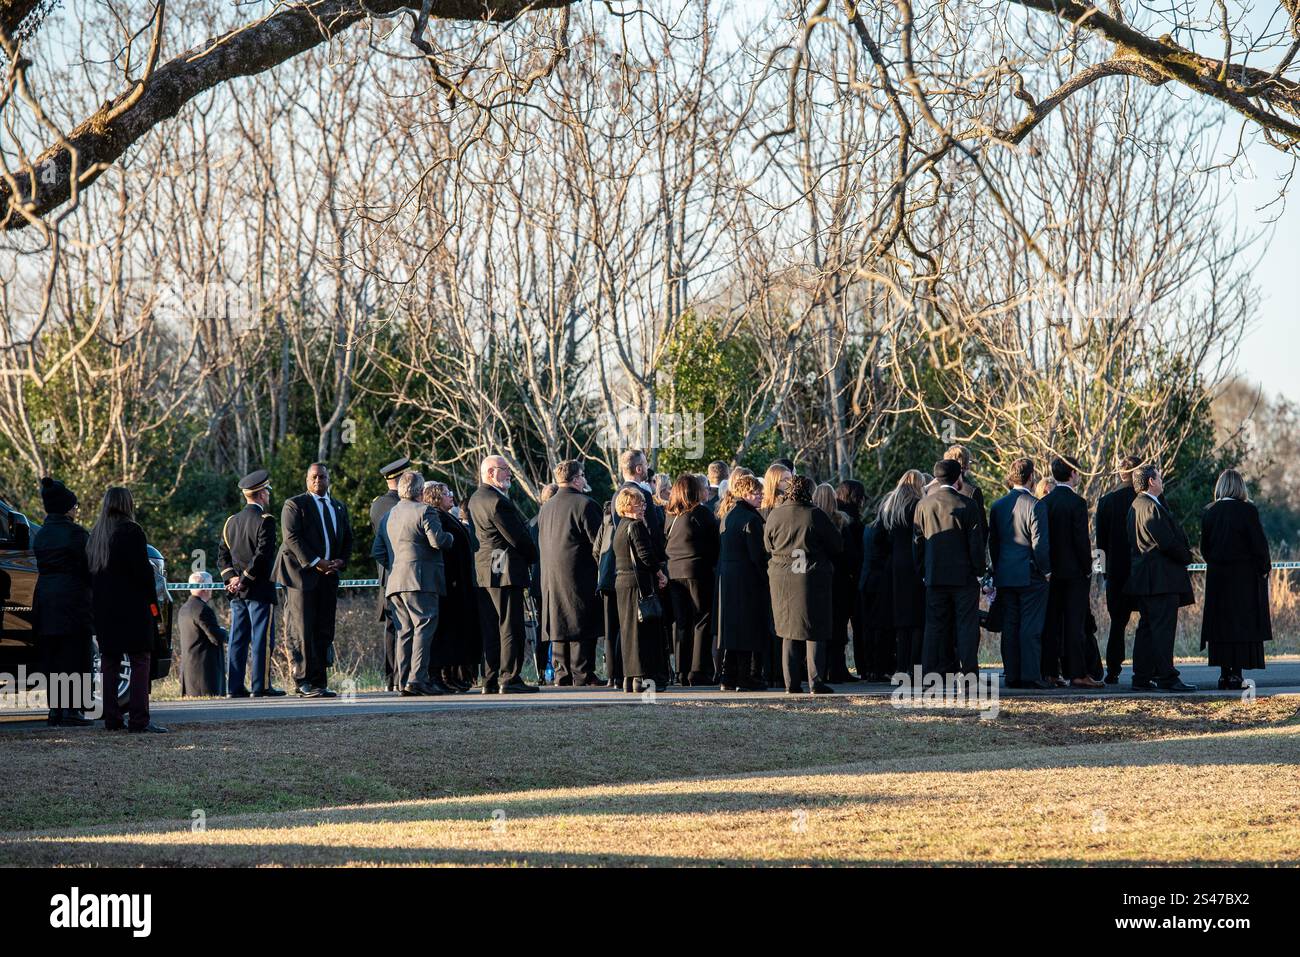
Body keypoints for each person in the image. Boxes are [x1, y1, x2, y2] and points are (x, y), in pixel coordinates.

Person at [87, 486, 167, 733]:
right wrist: (155, 609)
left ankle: (112, 720)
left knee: (109, 664)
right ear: (127, 505)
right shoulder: (132, 532)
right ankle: (139, 719)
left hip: (105, 611)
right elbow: (143, 575)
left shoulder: (96, 536)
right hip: (133, 609)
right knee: (140, 661)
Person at [274, 462, 353, 698]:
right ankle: (303, 681)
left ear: (329, 479)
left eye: (323, 477)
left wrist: (340, 561)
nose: (318, 481)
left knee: (324, 628)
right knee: (301, 629)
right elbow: (292, 538)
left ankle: (319, 681)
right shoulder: (295, 504)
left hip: (329, 576)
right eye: (314, 477)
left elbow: (347, 537)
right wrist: (317, 562)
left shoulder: (338, 506)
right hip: (301, 576)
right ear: (307, 480)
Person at [372, 470, 454, 696]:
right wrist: (451, 538)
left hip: (396, 581)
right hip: (421, 580)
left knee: (405, 631)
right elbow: (437, 541)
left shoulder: (388, 515)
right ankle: (417, 680)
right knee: (423, 627)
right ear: (420, 491)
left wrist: (397, 564)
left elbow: (378, 551)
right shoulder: (425, 510)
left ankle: (402, 680)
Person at [467, 455, 540, 693]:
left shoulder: (475, 499)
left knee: (490, 628)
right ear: (490, 473)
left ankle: (489, 679)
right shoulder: (498, 502)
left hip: (484, 572)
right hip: (504, 570)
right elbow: (518, 538)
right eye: (504, 469)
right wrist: (533, 556)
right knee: (510, 626)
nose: (509, 473)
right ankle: (510, 678)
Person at [765, 475, 843, 694]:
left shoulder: (775, 514)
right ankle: (815, 681)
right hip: (811, 577)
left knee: (787, 630)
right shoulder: (815, 515)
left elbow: (767, 544)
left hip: (780, 577)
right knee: (815, 629)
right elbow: (837, 545)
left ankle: (791, 683)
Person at [1125, 465, 1196, 692]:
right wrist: (1186, 556)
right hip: (1160, 580)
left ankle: (1142, 676)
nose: (1162, 480)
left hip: (1147, 579)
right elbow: (1166, 541)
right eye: (1159, 477)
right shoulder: (1150, 508)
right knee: (1162, 630)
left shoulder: (1136, 506)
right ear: (1151, 482)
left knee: (1147, 629)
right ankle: (1166, 676)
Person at [912, 459, 986, 678]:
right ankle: (969, 674)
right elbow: (976, 544)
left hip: (935, 575)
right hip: (964, 577)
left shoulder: (923, 505)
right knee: (966, 626)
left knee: (934, 626)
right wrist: (979, 571)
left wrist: (923, 572)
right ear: (958, 478)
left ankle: (929, 673)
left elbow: (917, 542)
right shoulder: (967, 505)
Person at [1200, 468, 1272, 690]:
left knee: (1221, 625)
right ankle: (1236, 674)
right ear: (1240, 486)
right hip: (1243, 578)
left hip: (1217, 578)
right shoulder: (1247, 511)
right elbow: (1259, 545)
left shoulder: (1209, 512)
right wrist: (1263, 568)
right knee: (1240, 625)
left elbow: (1204, 548)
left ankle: (1224, 674)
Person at [32, 476, 94, 726]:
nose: (77, 511)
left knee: (54, 656)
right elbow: (89, 567)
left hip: (45, 599)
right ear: (68, 508)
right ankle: (73, 711)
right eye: (75, 506)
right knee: (76, 655)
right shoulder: (76, 535)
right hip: (72, 600)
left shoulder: (41, 534)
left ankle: (56, 709)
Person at [987, 459, 1053, 690]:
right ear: (1030, 477)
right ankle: (1031, 675)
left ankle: (1013, 675)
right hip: (1030, 574)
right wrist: (1046, 571)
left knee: (1010, 625)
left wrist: (997, 569)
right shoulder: (1036, 505)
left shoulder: (997, 506)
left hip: (1005, 574)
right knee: (1031, 626)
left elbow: (993, 543)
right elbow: (1040, 544)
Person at [218, 469, 284, 698]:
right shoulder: (266, 521)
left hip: (237, 592)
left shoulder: (230, 522)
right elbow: (262, 557)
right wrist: (245, 580)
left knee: (238, 639)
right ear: (262, 494)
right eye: (266, 491)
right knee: (261, 640)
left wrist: (232, 580)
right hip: (258, 590)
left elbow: (222, 557)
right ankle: (261, 686)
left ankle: (234, 687)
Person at [537, 460, 604, 687]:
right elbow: (599, 544)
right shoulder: (585, 504)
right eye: (583, 475)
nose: (585, 479)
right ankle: (583, 673)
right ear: (576, 478)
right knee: (580, 621)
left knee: (558, 622)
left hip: (550, 575)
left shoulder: (545, 507)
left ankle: (561, 674)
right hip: (579, 572)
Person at [1041, 457, 1103, 688]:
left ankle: (1050, 671)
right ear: (1072, 473)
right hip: (1074, 573)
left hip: (1052, 573)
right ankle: (1077, 672)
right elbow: (1080, 539)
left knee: (1052, 623)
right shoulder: (1077, 503)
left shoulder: (1045, 502)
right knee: (1075, 625)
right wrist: (1087, 568)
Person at [665, 472, 721, 685]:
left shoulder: (670, 515)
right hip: (698, 571)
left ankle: (681, 670)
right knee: (702, 620)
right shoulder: (702, 513)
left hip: (674, 573)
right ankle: (699, 671)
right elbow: (715, 544)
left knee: (681, 623)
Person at [612, 486, 669, 692]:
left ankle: (630, 679)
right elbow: (646, 556)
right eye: (639, 503)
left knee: (628, 631)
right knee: (642, 632)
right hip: (638, 584)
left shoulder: (620, 526)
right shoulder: (636, 526)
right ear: (628, 505)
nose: (643, 507)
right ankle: (643, 679)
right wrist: (660, 574)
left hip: (622, 583)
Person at [425, 482, 480, 691]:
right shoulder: (438, 518)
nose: (452, 497)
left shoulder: (449, 517)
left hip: (460, 583)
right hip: (450, 584)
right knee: (446, 632)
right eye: (448, 494)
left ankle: (452, 675)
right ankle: (441, 676)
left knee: (456, 632)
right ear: (437, 497)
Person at [716, 474, 769, 691]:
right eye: (757, 493)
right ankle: (745, 677)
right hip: (747, 578)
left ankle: (728, 676)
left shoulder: (728, 516)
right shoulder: (751, 519)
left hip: (727, 577)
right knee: (748, 628)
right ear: (746, 494)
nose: (761, 497)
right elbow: (757, 555)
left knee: (731, 628)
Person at [1095, 455, 1142, 683]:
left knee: (1117, 624)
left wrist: (1105, 572)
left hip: (1116, 571)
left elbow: (1100, 544)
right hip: (1142, 570)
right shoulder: (1146, 498)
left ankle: (1113, 669)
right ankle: (1145, 669)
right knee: (1149, 621)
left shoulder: (1106, 501)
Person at [878, 470, 927, 673]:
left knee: (901, 619)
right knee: (916, 618)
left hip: (895, 565)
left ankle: (900, 666)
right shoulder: (917, 505)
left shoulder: (889, 505)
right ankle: (913, 667)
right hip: (913, 564)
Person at [370, 456, 409, 691]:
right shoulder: (398, 506)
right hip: (399, 572)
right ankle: (400, 676)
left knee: (392, 628)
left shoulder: (378, 504)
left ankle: (391, 678)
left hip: (386, 575)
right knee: (402, 626)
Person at [813, 482, 854, 682]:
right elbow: (848, 554)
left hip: (818, 578)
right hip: (839, 581)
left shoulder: (810, 521)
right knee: (838, 624)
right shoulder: (841, 522)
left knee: (820, 624)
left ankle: (820, 667)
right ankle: (837, 667)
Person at [835, 480, 871, 680]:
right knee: (857, 626)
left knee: (839, 626)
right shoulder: (853, 524)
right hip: (850, 581)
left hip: (840, 580)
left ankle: (838, 666)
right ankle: (862, 666)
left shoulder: (836, 517)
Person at [178, 571, 227, 697]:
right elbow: (215, 637)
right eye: (210, 585)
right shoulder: (203, 609)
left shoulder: (184, 608)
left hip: (189, 675)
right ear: (205, 588)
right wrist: (224, 632)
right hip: (204, 675)